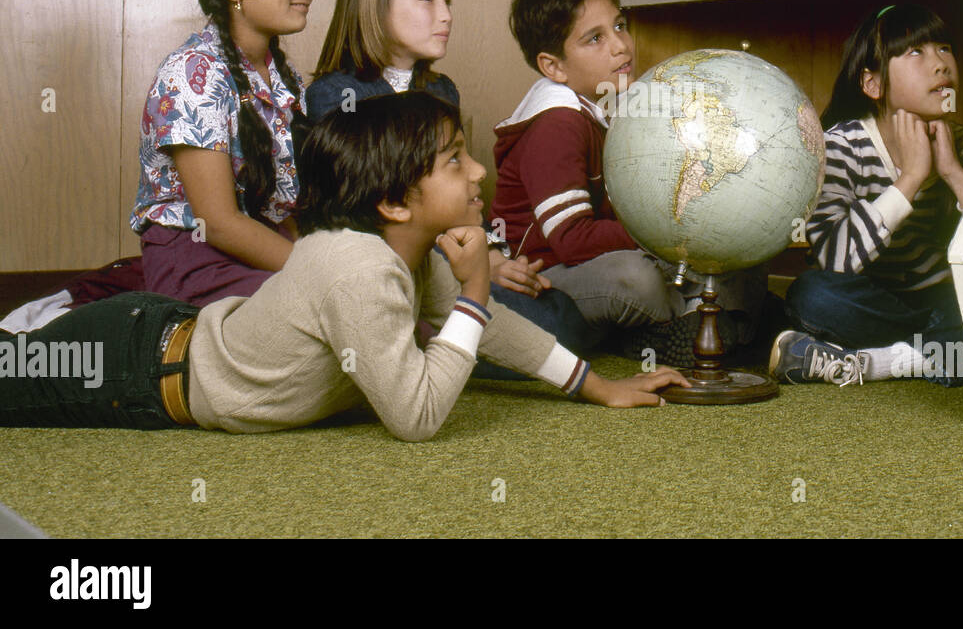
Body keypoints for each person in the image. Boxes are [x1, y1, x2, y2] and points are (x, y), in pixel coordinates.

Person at [0, 92, 688, 437]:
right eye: (455, 161)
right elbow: (416, 415)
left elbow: (496, 332)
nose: (478, 171)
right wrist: (477, 292)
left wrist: (594, 384)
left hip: (174, 333)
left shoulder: (410, 253)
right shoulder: (356, 266)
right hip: (140, 364)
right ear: (393, 200)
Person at [305, 0, 597, 362]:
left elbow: (457, 193)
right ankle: (419, 341)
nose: (445, 15)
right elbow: (368, 215)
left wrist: (490, 254)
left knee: (562, 318)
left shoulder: (441, 91)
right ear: (374, 6)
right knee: (536, 330)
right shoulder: (336, 96)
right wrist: (468, 264)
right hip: (390, 269)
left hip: (448, 257)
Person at [491, 0, 766, 366]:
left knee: (740, 241)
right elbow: (571, 238)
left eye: (620, 25)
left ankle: (693, 324)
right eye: (595, 38)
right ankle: (709, 323)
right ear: (554, 67)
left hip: (609, 248)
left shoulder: (613, 101)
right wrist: (668, 234)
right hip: (552, 271)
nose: (621, 45)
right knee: (635, 278)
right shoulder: (557, 122)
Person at [769, 4, 963, 387]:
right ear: (873, 84)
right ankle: (938, 354)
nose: (940, 64)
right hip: (867, 299)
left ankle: (870, 362)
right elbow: (832, 259)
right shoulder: (841, 148)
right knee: (812, 296)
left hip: (945, 298)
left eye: (944, 48)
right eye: (916, 52)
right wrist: (910, 179)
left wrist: (954, 174)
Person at [130, 0, 316, 306]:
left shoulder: (284, 77)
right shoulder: (192, 75)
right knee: (324, 307)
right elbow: (219, 224)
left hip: (265, 241)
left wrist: (325, 259)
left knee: (368, 298)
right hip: (197, 256)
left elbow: (291, 208)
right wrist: (318, 272)